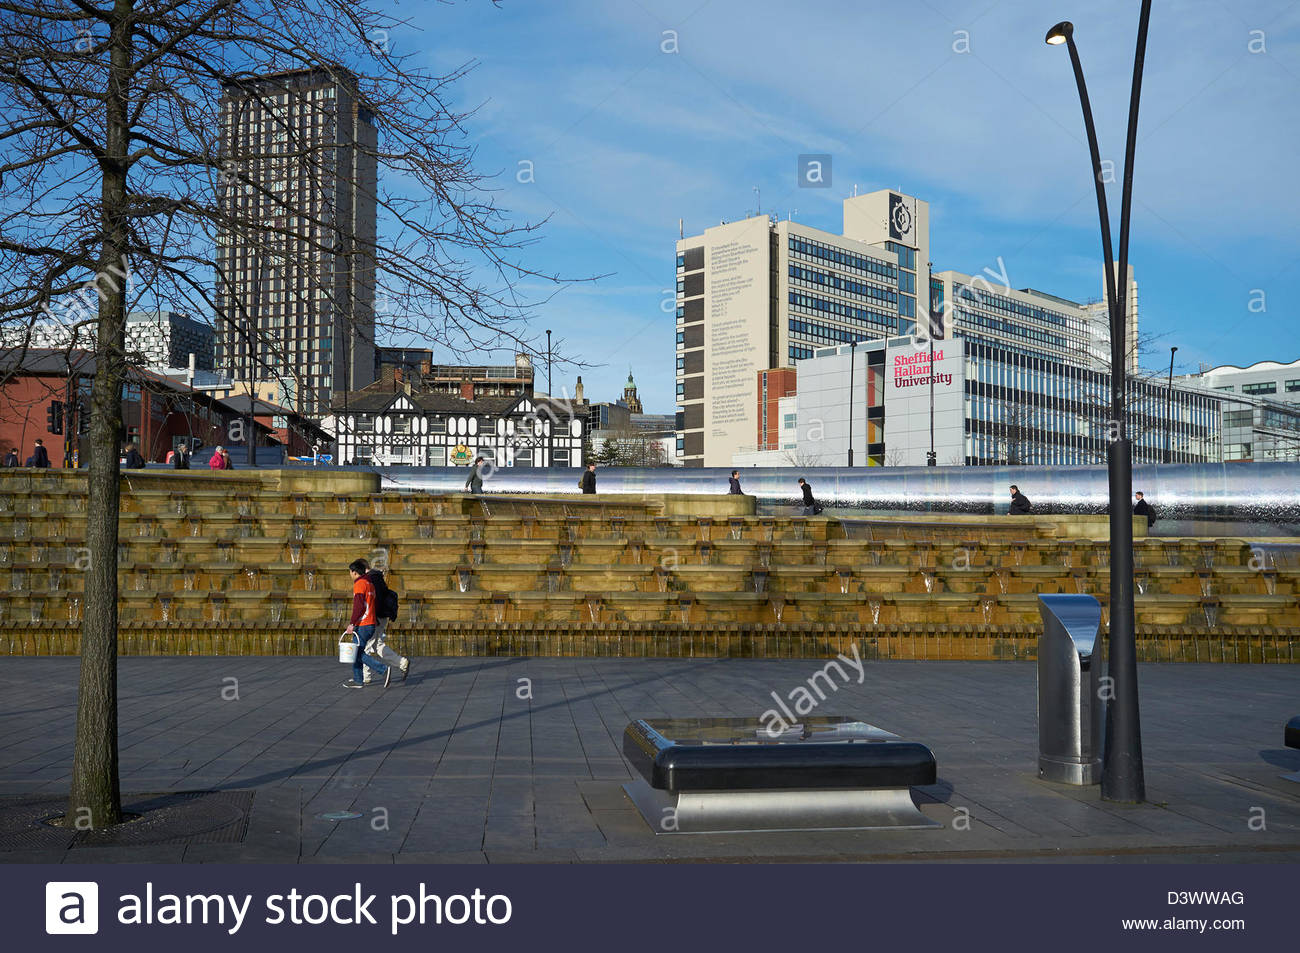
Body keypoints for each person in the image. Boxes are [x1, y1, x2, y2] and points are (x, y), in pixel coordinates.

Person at [356, 557, 410, 685]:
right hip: (380, 616)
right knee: (376, 644)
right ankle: (401, 662)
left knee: (367, 646)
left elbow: (376, 600)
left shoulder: (372, 578)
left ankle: (366, 677)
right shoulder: (376, 576)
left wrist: (374, 617)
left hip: (376, 617)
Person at [343, 557, 390, 688]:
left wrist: (352, 623)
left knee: (356, 652)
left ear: (354, 572)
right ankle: (358, 680)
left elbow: (359, 606)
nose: (350, 575)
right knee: (358, 651)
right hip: (370, 622)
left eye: (350, 572)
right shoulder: (369, 583)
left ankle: (383, 669)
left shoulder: (359, 584)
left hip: (362, 623)